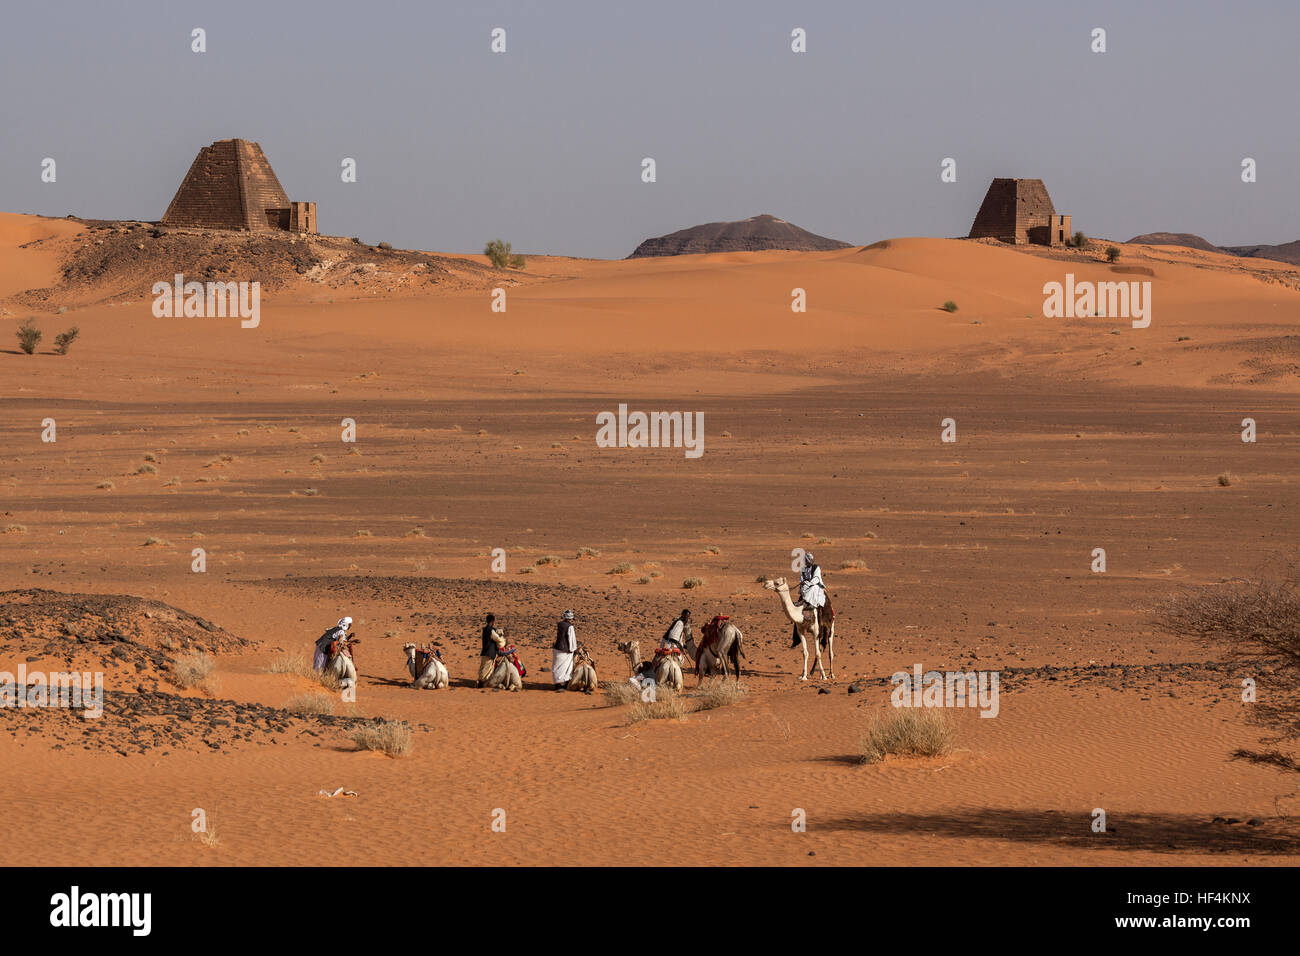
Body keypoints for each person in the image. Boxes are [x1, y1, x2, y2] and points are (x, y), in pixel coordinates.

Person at [792, 552, 826, 647]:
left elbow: (816, 578)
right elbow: (801, 578)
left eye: (807, 560)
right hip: (806, 586)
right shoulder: (803, 569)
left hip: (815, 585)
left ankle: (809, 603)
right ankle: (802, 602)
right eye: (805, 560)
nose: (805, 562)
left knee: (813, 588)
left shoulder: (816, 568)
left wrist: (808, 583)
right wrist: (803, 583)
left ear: (810, 560)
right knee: (803, 590)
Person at [477, 613, 506, 687]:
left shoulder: (485, 629)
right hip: (490, 653)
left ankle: (480, 681)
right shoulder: (491, 631)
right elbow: (499, 640)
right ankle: (483, 683)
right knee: (487, 670)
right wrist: (502, 640)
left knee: (483, 668)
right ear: (492, 622)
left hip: (484, 652)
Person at [552, 609, 577, 692]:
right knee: (566, 666)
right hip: (565, 650)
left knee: (557, 666)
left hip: (557, 648)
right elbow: (571, 638)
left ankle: (557, 684)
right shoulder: (570, 626)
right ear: (571, 618)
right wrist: (573, 649)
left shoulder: (559, 624)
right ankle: (565, 683)